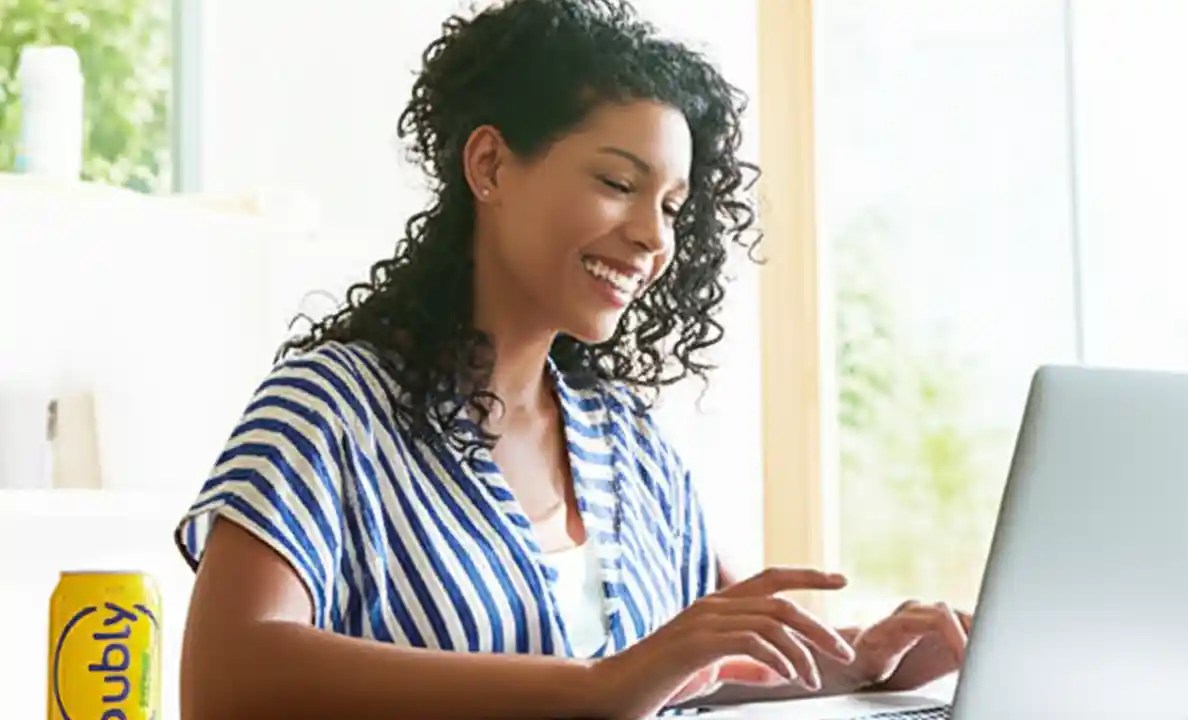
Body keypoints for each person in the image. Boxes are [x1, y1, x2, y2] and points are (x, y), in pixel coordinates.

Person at [174, 1, 970, 718]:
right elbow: (226, 677)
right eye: (618, 182)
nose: (654, 239)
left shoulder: (623, 438)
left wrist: (863, 661)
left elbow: (712, 664)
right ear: (489, 166)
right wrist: (597, 687)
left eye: (671, 208)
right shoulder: (332, 406)